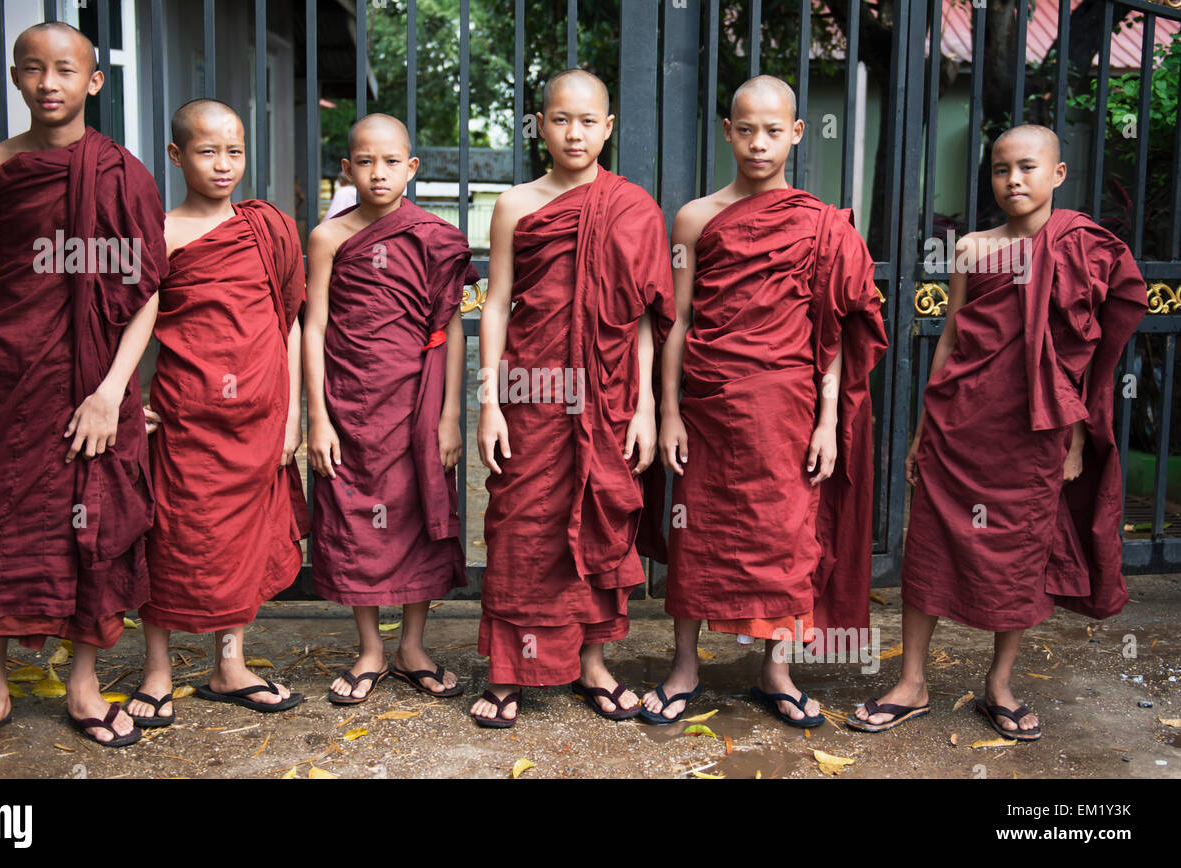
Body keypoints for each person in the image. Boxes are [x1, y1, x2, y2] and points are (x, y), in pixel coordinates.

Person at [0, 22, 166, 756]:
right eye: (32, 70)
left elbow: (145, 287)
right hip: (8, 369)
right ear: (18, 80)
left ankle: (84, 685)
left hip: (94, 383)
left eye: (64, 69)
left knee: (92, 524)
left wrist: (112, 391)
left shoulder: (125, 172)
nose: (48, 82)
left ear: (94, 81)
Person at [849, 124, 1147, 740]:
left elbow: (1088, 357)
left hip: (1034, 433)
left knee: (1020, 558)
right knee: (928, 547)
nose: (1013, 180)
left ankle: (999, 683)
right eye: (1001, 169)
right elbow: (954, 337)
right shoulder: (973, 249)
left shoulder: (1080, 247)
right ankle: (912, 681)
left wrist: (1075, 441)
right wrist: (924, 428)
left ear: (1058, 175)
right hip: (960, 424)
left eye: (1028, 168)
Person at [640, 75, 887, 729]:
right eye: (745, 129)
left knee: (788, 538)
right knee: (697, 537)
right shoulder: (694, 218)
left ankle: (775, 671)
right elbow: (680, 320)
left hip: (788, 409)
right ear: (728, 131)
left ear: (797, 133)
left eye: (773, 130)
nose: (758, 143)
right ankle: (684, 666)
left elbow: (832, 332)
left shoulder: (821, 224)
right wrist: (668, 409)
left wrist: (830, 421)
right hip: (709, 408)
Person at [470, 69, 675, 728]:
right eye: (561, 119)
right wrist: (489, 400)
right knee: (521, 529)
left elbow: (645, 315)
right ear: (540, 125)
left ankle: (592, 664)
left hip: (609, 396)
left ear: (608, 127)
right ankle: (508, 671)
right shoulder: (515, 205)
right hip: (531, 394)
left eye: (588, 121)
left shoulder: (633, 206)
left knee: (597, 525)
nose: (575, 132)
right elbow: (496, 302)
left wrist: (645, 406)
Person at [126, 99, 308, 728]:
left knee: (239, 543)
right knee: (170, 537)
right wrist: (130, 398)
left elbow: (289, 323)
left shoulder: (267, 229)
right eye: (207, 152)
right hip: (183, 415)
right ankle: (158, 670)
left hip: (257, 418)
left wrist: (292, 416)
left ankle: (229, 664)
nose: (224, 164)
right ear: (176, 156)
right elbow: (130, 325)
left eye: (234, 151)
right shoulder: (159, 230)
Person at [306, 113, 475, 706]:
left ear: (412, 167)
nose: (378, 174)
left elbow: (449, 327)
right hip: (350, 405)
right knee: (354, 522)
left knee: (416, 518)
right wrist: (317, 417)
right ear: (347, 169)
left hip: (418, 405)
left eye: (391, 161)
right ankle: (370, 649)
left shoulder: (434, 236)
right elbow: (315, 326)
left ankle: (412, 645)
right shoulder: (328, 237)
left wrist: (451, 415)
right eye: (365, 162)